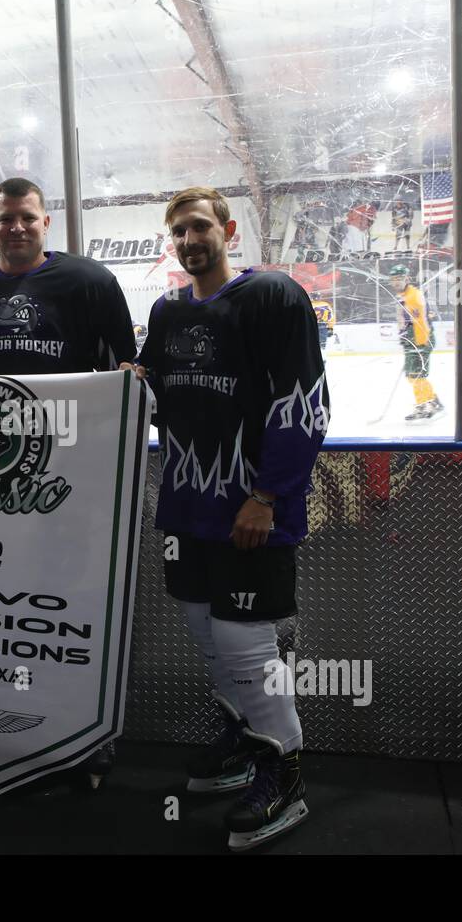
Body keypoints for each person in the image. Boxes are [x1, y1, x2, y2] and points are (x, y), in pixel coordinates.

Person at [0, 176, 137, 787]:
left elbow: (124, 372)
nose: (17, 227)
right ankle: (1, 720)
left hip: (63, 486)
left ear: (48, 222)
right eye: (5, 219)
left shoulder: (90, 282)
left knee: (68, 607)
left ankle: (86, 733)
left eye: (28, 218)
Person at [135, 186, 328, 851]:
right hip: (188, 509)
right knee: (208, 634)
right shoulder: (166, 312)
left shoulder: (275, 297)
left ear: (227, 228)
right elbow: (161, 397)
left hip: (251, 511)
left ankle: (285, 773)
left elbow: (302, 405)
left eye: (199, 227)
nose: (190, 240)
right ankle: (243, 744)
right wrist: (130, 385)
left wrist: (267, 497)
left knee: (248, 649)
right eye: (179, 232)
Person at [389, 263, 443, 420]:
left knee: (417, 375)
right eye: (393, 279)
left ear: (407, 278)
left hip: (420, 340)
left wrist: (419, 343)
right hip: (413, 340)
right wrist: (404, 336)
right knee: (413, 375)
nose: (396, 282)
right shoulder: (403, 296)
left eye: (399, 278)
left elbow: (422, 322)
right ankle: (429, 402)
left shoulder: (413, 296)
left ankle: (428, 404)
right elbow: (404, 321)